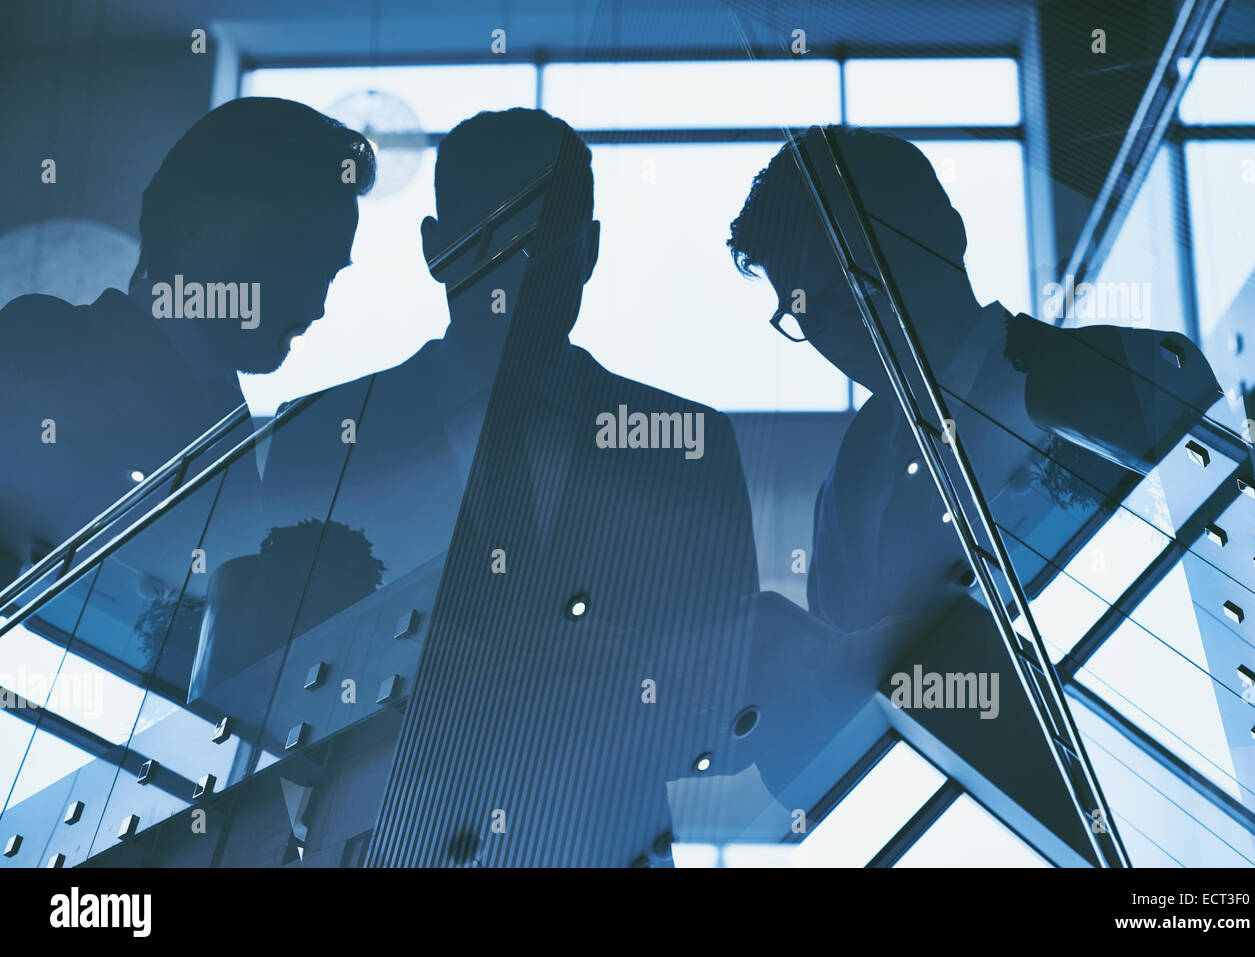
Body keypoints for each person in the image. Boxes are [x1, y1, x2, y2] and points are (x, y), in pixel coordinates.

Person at [259, 108, 761, 867]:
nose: (528, 263)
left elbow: (732, 699)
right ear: (434, 250)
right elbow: (263, 692)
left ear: (589, 250)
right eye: (503, 233)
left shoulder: (686, 446)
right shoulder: (318, 438)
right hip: (386, 840)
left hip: (591, 838)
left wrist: (631, 681)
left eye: (549, 236)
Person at [727, 126, 1223, 637]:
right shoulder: (844, 485)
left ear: (942, 232)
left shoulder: (1115, 373)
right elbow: (838, 693)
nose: (832, 324)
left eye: (846, 280)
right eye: (801, 307)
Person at [0, 97, 376, 585]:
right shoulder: (44, 344)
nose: (317, 304)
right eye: (304, 263)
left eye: (329, 274)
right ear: (206, 229)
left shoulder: (235, 433)